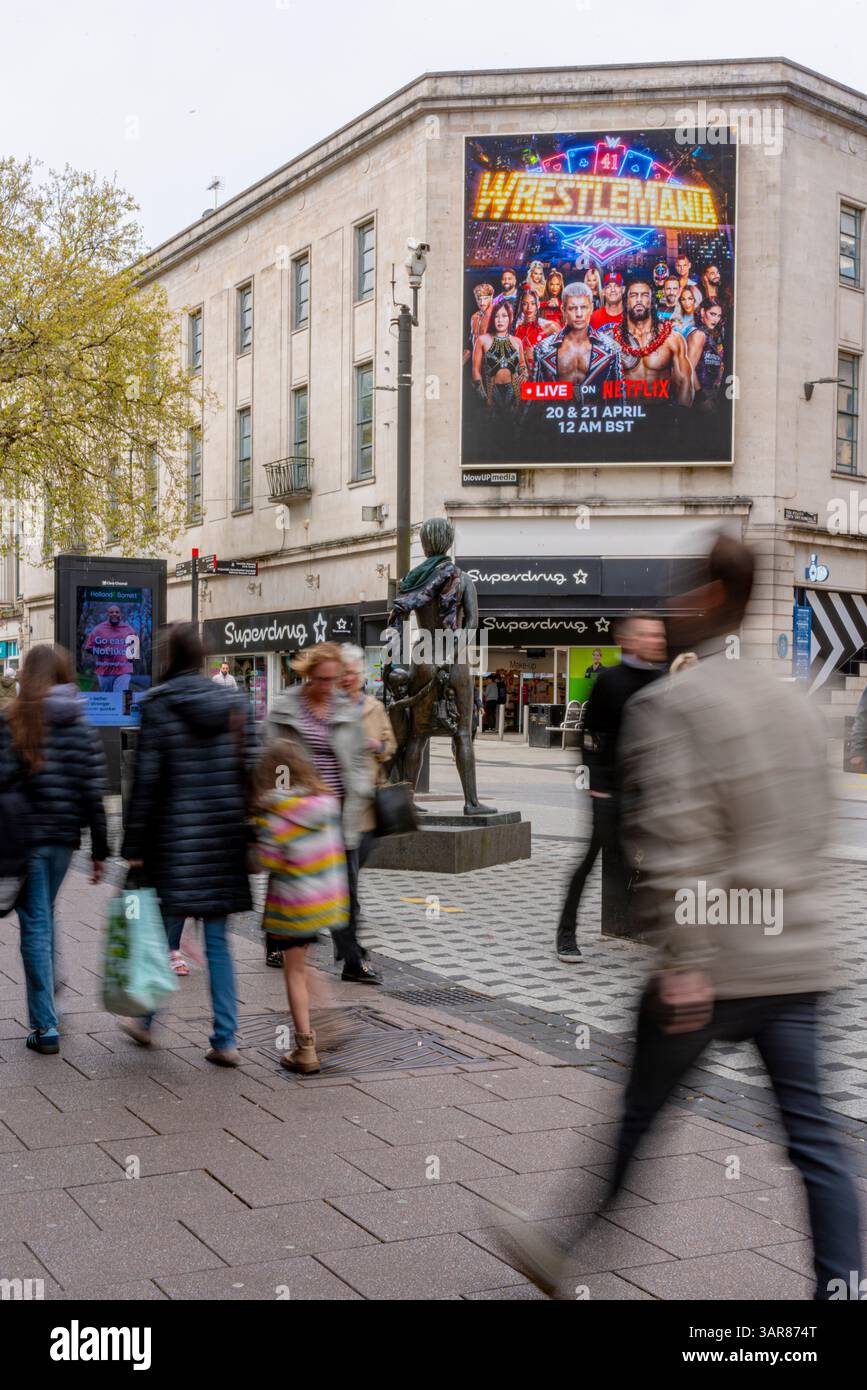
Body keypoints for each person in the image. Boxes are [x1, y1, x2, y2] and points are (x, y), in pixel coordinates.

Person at [508, 536, 864, 1301]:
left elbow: (675, 837)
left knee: (639, 1114)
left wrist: (684, 959)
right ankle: (844, 1286)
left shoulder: (676, 702)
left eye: (681, 590)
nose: (667, 608)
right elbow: (814, 831)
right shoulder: (797, 702)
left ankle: (560, 1243)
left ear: (707, 598)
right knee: (815, 1140)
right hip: (795, 959)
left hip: (713, 961)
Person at [120, 623, 254, 1063]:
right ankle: (226, 1039)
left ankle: (145, 1019)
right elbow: (251, 769)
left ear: (168, 658)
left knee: (160, 934)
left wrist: (134, 841)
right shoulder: (234, 702)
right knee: (217, 942)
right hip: (222, 838)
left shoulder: (159, 704)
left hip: (173, 839)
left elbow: (147, 778)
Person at [0, 644, 107, 1054]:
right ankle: (51, 998)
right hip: (64, 841)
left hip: (25, 839)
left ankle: (45, 1026)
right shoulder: (79, 723)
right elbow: (92, 790)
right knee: (43, 913)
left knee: (35, 924)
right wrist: (100, 850)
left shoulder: (13, 719)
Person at [555, 613, 666, 963]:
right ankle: (566, 933)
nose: (656, 640)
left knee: (660, 860)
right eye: (647, 635)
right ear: (628, 640)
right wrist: (597, 786)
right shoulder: (610, 680)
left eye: (658, 635)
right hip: (610, 791)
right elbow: (587, 738)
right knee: (590, 859)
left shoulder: (663, 680)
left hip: (650, 791)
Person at [267, 642, 378, 983]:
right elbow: (272, 760)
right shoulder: (287, 708)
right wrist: (286, 799)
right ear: (308, 674)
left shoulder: (345, 709)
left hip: (338, 815)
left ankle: (351, 960)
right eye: (322, 679)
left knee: (346, 889)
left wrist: (358, 789)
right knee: (289, 882)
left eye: (334, 679)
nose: (329, 686)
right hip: (300, 814)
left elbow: (358, 757)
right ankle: (278, 943)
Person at [253, 736, 349, 1075]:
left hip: (292, 906)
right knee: (303, 965)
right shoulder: (325, 804)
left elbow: (266, 861)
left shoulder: (275, 812)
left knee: (293, 972)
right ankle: (330, 1018)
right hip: (324, 903)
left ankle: (305, 1048)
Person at [339, 644, 397, 959]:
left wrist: (377, 745)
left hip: (368, 807)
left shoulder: (374, 707)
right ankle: (349, 946)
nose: (349, 678)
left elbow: (390, 745)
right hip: (339, 803)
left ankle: (344, 927)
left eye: (354, 673)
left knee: (356, 865)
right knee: (347, 875)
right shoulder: (330, 707)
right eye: (344, 673)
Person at [610, 278, 694, 407]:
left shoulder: (672, 338)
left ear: (651, 301)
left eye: (644, 295)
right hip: (625, 415)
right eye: (633, 295)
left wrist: (680, 419)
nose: (639, 300)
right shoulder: (612, 340)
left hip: (660, 416)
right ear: (626, 302)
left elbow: (684, 382)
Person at [534, 282, 620, 389]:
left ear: (591, 308)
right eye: (572, 308)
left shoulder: (611, 348)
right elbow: (535, 397)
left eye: (583, 307)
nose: (579, 314)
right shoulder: (543, 348)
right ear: (563, 310)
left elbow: (619, 397)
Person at [472, 301, 527, 413]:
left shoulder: (517, 341)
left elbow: (522, 365)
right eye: (496, 316)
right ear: (492, 319)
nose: (500, 320)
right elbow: (475, 371)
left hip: (514, 395)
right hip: (491, 393)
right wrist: (484, 398)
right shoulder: (482, 340)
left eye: (504, 316)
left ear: (510, 318)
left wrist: (524, 373)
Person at [83, 603, 139, 692]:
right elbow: (88, 648)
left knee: (120, 697)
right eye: (111, 612)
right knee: (107, 697)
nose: (114, 614)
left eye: (117, 612)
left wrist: (128, 658)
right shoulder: (98, 629)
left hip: (123, 670)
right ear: (107, 614)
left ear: (120, 614)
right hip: (104, 671)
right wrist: (102, 651)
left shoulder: (129, 629)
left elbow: (134, 651)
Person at [514, 288, 557, 373]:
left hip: (541, 377)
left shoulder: (550, 326)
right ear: (521, 306)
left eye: (533, 304)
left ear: (538, 305)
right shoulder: (515, 329)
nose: (529, 308)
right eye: (525, 304)